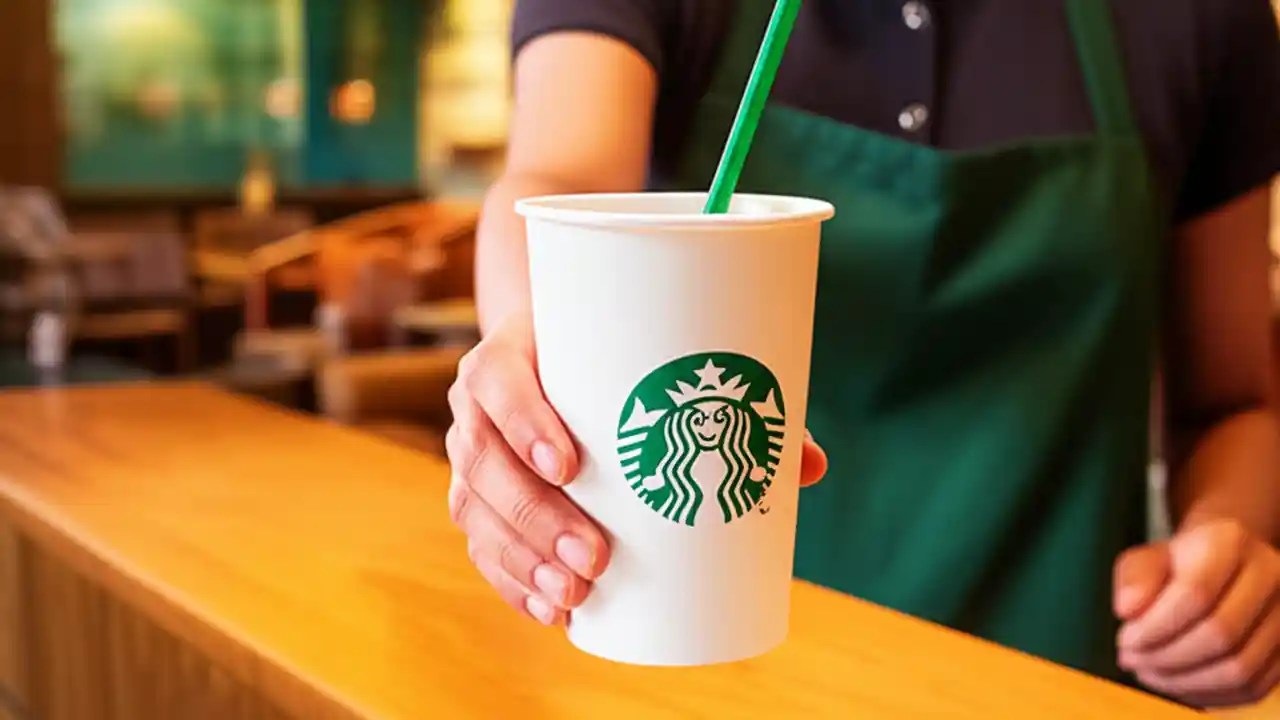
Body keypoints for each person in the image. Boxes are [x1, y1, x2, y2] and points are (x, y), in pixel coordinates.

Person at [445, 0, 1280, 707]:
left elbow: (1236, 400)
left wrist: (1229, 544)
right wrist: (528, 361)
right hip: (687, 676)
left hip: (1053, 680)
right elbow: (556, 184)